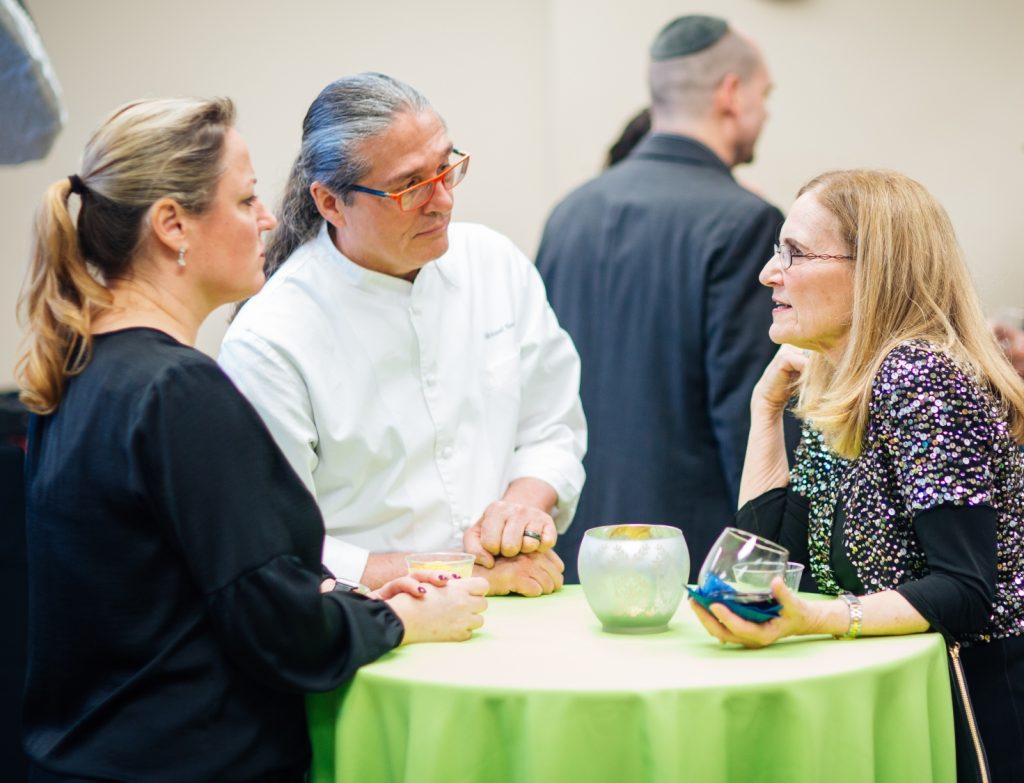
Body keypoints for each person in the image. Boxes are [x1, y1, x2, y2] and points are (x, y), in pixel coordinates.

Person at [16, 97, 488, 782]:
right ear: (173, 225)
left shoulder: (78, 372)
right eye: (245, 200)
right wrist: (402, 620)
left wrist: (358, 598)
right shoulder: (179, 392)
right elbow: (278, 624)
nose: (268, 219)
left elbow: (191, 593)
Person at [689, 169, 1024, 782]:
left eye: (794, 253)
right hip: (902, 696)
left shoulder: (921, 378)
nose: (768, 273)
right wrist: (765, 412)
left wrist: (818, 618)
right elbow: (764, 572)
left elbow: (965, 591)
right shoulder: (844, 384)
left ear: (874, 273)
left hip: (977, 709)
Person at [219, 73, 586, 596]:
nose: (442, 201)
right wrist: (463, 570)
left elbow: (552, 428)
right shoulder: (272, 339)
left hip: (515, 594)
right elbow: (280, 542)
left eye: (445, 168)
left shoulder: (493, 264)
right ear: (330, 203)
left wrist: (521, 507)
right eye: (410, 187)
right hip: (370, 620)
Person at [535, 15, 783, 582]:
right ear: (731, 93)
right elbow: (752, 415)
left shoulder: (569, 213)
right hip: (686, 560)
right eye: (764, 95)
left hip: (573, 553)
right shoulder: (744, 222)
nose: (766, 112)